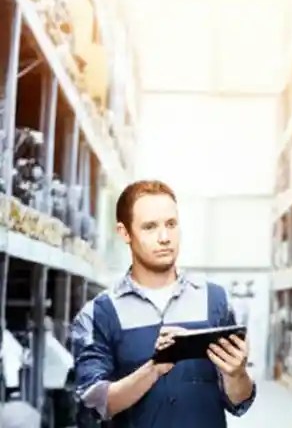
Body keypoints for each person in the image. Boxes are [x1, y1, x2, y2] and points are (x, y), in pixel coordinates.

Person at [69, 180, 256, 426]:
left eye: (171, 224)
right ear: (125, 233)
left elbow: (239, 402)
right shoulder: (99, 314)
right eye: (150, 227)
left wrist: (237, 374)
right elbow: (93, 405)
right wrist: (154, 369)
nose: (165, 237)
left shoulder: (215, 300)